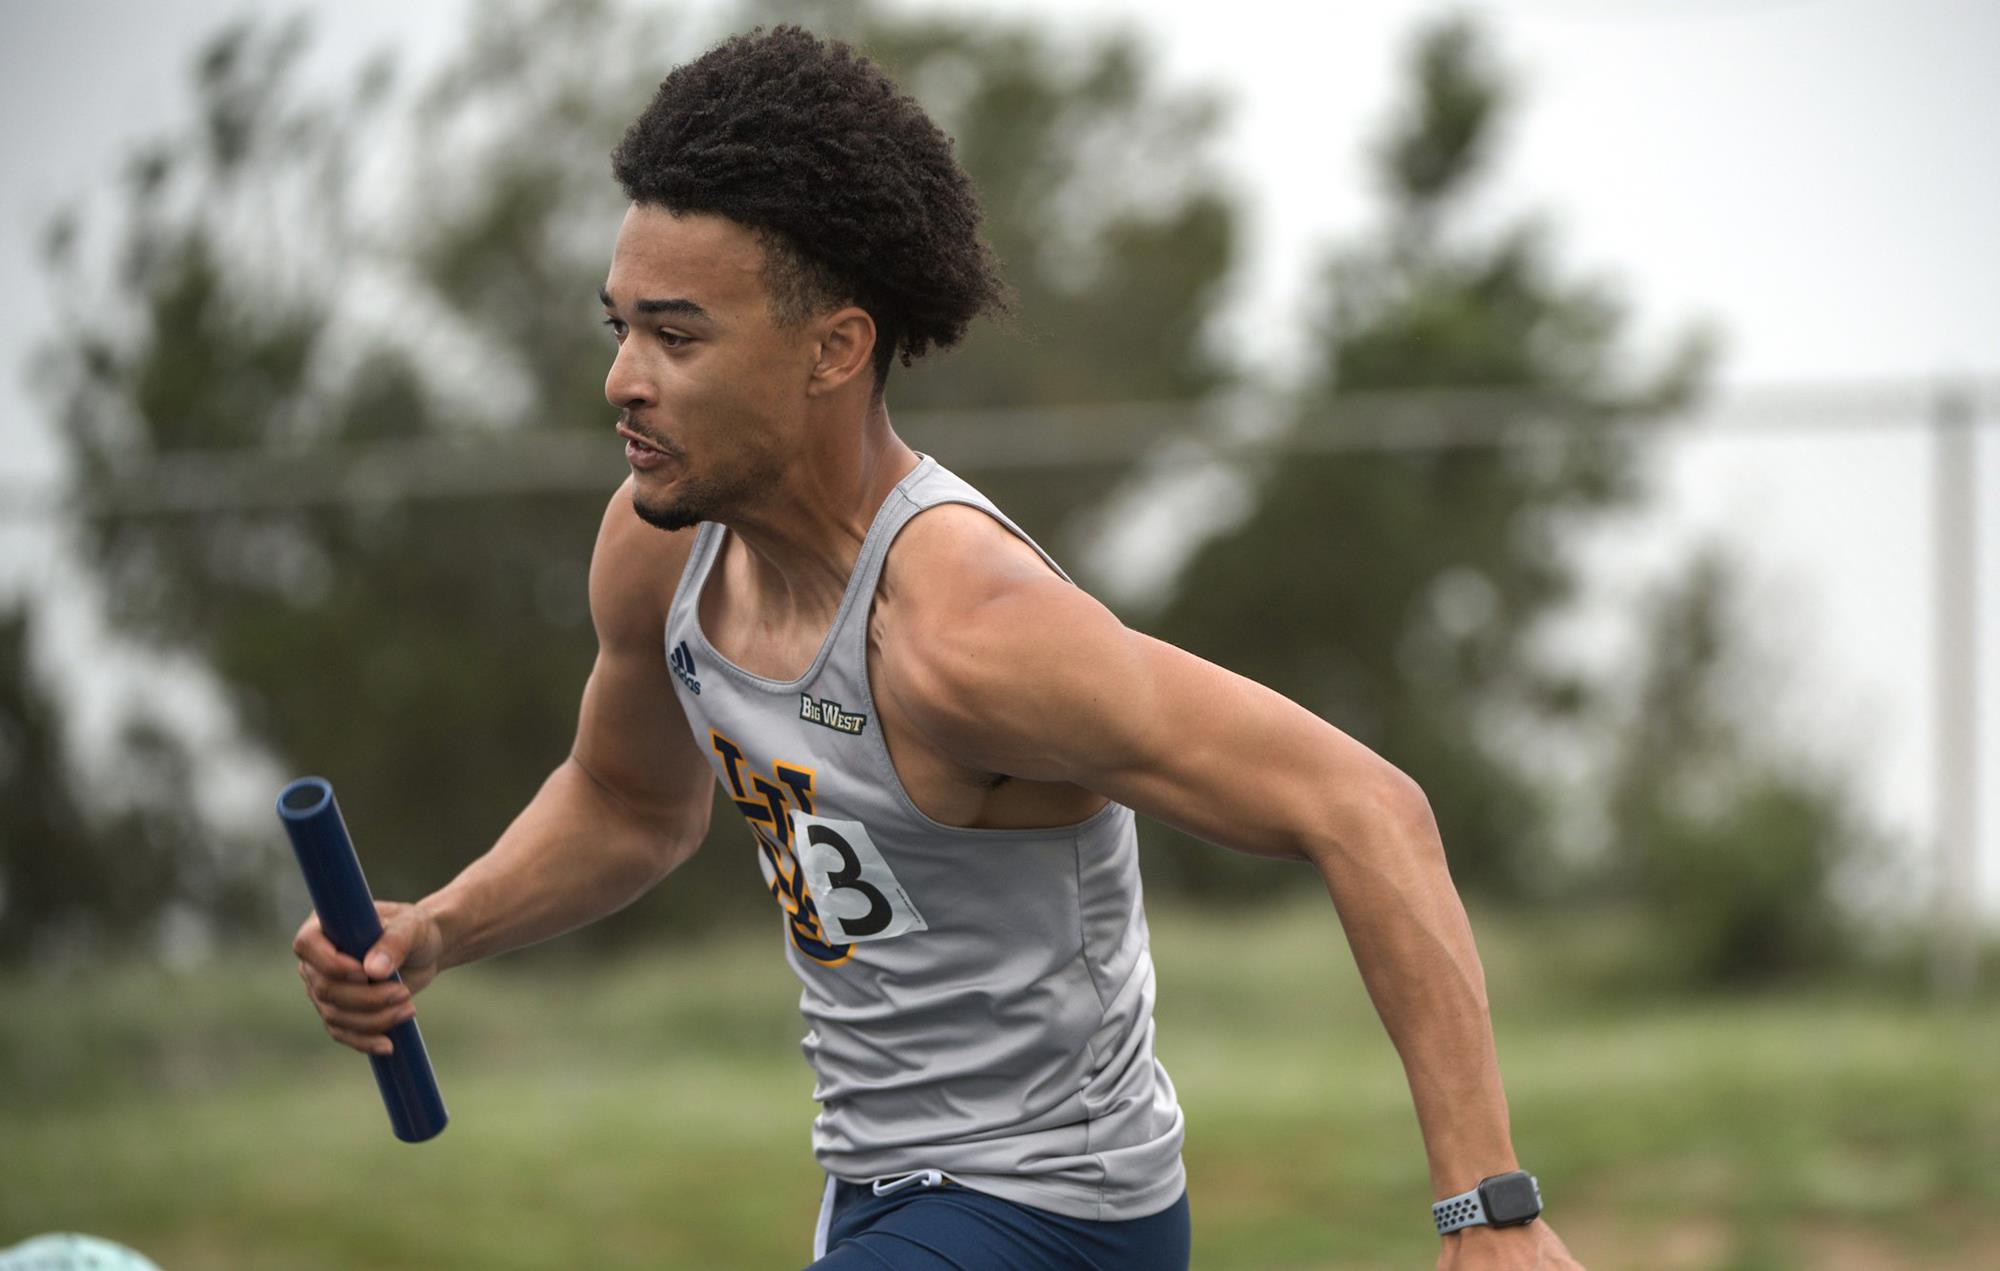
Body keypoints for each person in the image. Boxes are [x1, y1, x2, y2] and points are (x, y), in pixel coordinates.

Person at [292, 26, 1580, 1270]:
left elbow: (1364, 806)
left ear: (835, 349)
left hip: (1057, 1212)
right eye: (618, 327)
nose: (625, 379)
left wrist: (1491, 1210)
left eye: (676, 337)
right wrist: (444, 928)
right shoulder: (659, 543)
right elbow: (630, 803)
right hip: (873, 1196)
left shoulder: (967, 632)